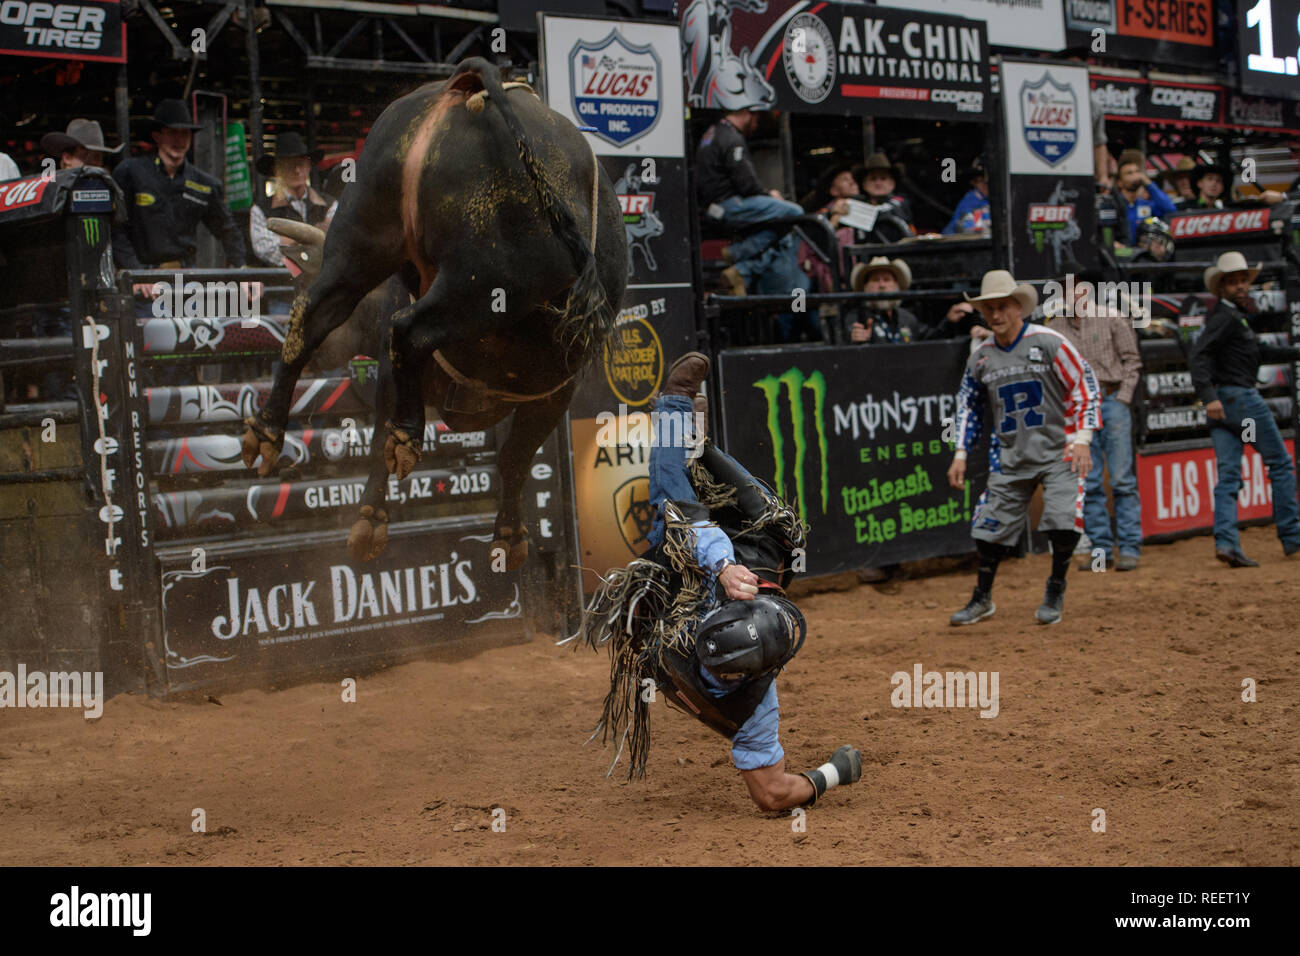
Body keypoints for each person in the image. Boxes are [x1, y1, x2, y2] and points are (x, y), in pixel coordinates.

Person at [576, 352, 862, 811]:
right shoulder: (753, 699)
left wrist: (724, 568)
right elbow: (773, 795)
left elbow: (772, 796)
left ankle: (682, 423)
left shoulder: (736, 688)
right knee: (779, 526)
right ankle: (693, 438)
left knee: (673, 505)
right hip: (724, 574)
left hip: (674, 594)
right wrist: (835, 773)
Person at [947, 270, 1101, 625]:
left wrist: (1082, 439)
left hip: (1059, 451)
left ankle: (1056, 587)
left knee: (1063, 521)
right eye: (989, 310)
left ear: (1019, 307)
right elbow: (967, 406)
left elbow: (1085, 386)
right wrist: (960, 454)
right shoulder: (981, 357)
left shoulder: (1050, 343)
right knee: (987, 530)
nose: (996, 316)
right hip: (1010, 454)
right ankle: (982, 597)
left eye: (1003, 307)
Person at [1188, 252, 1300, 566]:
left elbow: (1259, 352)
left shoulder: (1232, 317)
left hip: (1226, 407)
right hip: (1239, 401)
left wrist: (1294, 350)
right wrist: (1208, 396)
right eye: (1233, 281)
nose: (1240, 286)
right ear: (1222, 287)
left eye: (1242, 280)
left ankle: (1227, 542)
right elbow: (1198, 355)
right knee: (1279, 464)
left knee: (1229, 474)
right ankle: (1292, 537)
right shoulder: (1226, 317)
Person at [1046, 266, 1143, 571]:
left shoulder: (1113, 317)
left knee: (1122, 479)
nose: (1070, 293)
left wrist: (1124, 397)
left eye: (1075, 287)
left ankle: (1129, 547)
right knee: (1089, 482)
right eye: (1065, 288)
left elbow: (1132, 361)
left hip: (1111, 399)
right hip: (1079, 408)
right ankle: (1103, 550)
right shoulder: (1056, 327)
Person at [112, 98, 247, 296]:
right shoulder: (130, 172)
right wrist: (136, 273)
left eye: (185, 134)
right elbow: (116, 230)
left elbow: (227, 229)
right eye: (172, 133)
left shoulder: (204, 183)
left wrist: (243, 269)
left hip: (186, 280)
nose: (180, 140)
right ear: (157, 136)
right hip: (143, 281)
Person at [695, 110, 810, 321]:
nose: (756, 124)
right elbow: (747, 184)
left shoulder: (711, 133)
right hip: (729, 205)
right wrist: (770, 195)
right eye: (756, 118)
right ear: (747, 114)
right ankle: (741, 257)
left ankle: (743, 268)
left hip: (714, 208)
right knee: (795, 213)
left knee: (781, 235)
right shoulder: (731, 137)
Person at [249, 131, 336, 267]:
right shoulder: (260, 210)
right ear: (277, 170)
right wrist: (315, 235)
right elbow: (266, 251)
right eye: (289, 164)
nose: (297, 170)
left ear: (309, 166)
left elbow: (337, 245)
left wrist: (288, 241)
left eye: (301, 164)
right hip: (280, 282)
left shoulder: (330, 205)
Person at [1112, 150, 1177, 247]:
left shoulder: (1146, 205)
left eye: (1137, 172)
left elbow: (1170, 210)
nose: (1135, 176)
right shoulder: (1115, 205)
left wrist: (1147, 183)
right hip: (1122, 255)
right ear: (1119, 182)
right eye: (1129, 173)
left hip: (1144, 257)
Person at [851, 151, 915, 243]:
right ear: (864, 184)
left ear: (892, 184)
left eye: (883, 178)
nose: (878, 183)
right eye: (873, 179)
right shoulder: (855, 204)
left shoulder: (900, 203)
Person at [40, 119, 122, 171]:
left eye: (97, 157)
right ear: (67, 158)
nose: (93, 162)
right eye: (86, 156)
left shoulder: (107, 187)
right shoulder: (53, 188)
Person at [942, 160, 991, 236]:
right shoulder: (970, 203)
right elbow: (971, 232)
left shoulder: (1004, 199)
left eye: (988, 180)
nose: (985, 185)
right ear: (973, 183)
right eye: (980, 180)